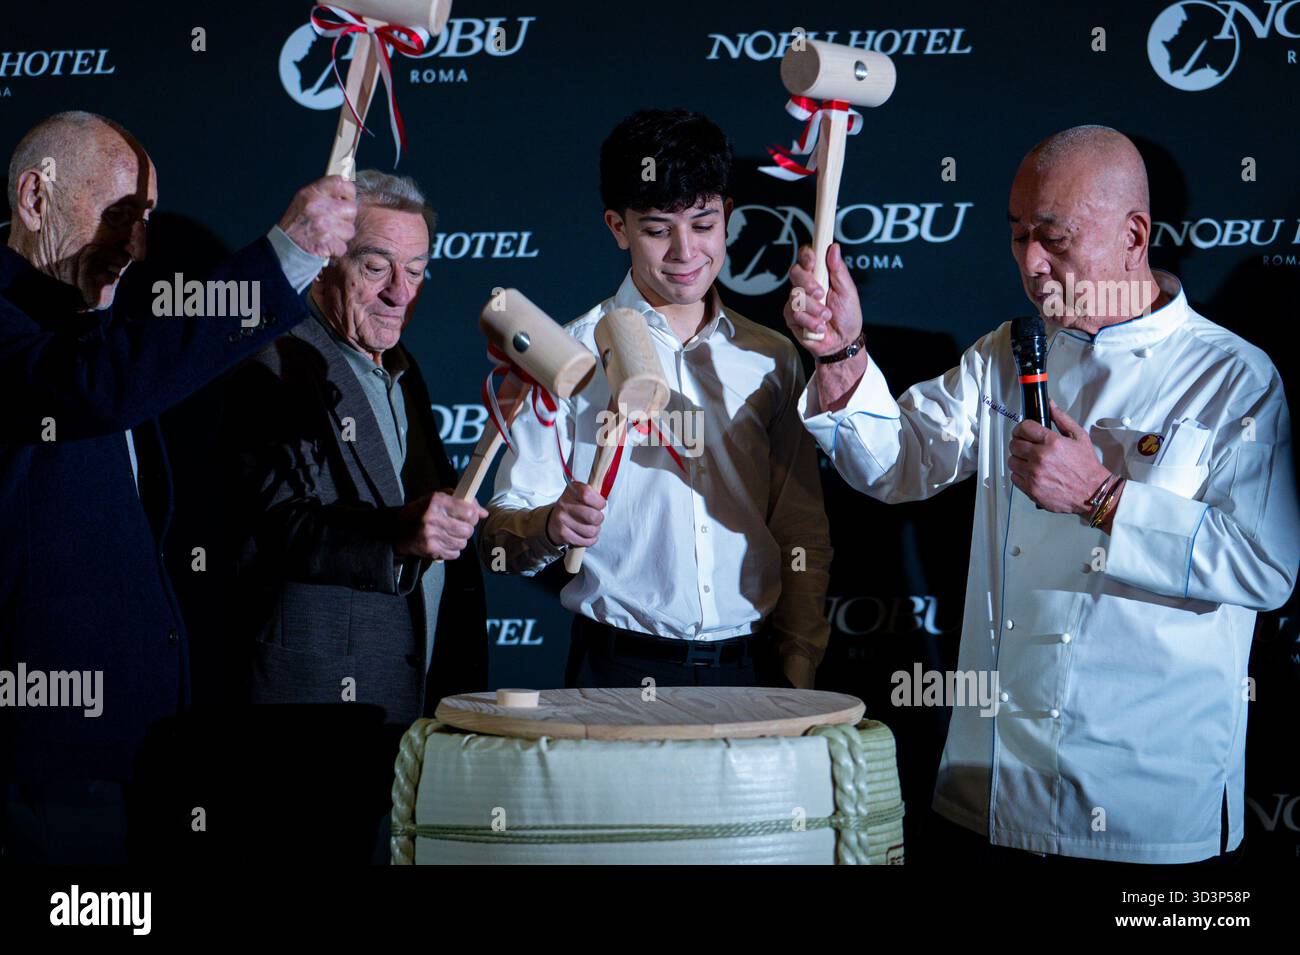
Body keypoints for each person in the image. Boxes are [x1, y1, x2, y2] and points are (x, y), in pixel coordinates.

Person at [784, 124, 1299, 864]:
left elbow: (1266, 567)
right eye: (1018, 234)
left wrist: (1104, 497)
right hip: (992, 796)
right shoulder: (1007, 353)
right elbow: (897, 461)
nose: (1031, 262)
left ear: (1134, 233)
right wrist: (839, 355)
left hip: (1148, 809)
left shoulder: (1231, 378)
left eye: (1054, 238)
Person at [0, 110, 356, 862]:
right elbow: (98, 389)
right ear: (35, 199)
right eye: (117, 212)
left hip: (143, 761)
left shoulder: (101, 334)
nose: (134, 245)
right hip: (38, 771)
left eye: (147, 218)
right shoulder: (32, 341)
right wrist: (286, 256)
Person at [480, 109, 832, 690]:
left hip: (750, 670)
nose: (684, 251)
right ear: (618, 227)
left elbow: (799, 524)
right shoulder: (561, 355)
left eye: (703, 223)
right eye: (656, 229)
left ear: (729, 220)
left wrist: (798, 659)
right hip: (616, 670)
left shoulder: (773, 356)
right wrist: (550, 524)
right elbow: (501, 534)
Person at [222, 169, 488, 725]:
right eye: (376, 268)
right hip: (316, 707)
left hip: (413, 693)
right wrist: (400, 533)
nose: (400, 293)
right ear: (323, 264)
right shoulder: (268, 361)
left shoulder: (400, 366)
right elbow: (280, 527)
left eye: (415, 271)